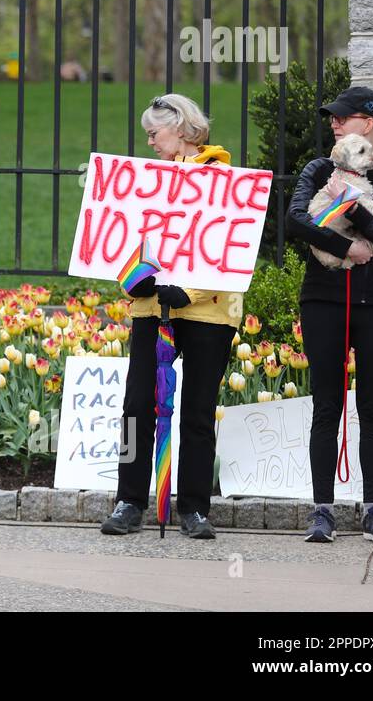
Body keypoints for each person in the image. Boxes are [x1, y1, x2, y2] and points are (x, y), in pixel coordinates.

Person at [101, 94, 242, 540]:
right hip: (151, 308)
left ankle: (195, 508)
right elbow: (117, 234)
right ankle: (129, 501)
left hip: (209, 311)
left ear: (180, 128)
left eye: (154, 133)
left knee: (198, 411)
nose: (149, 142)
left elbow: (228, 248)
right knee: (135, 407)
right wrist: (133, 280)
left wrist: (191, 290)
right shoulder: (145, 180)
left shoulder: (222, 178)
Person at [286, 86, 373, 543]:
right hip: (324, 298)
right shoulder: (319, 167)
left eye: (343, 117)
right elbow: (295, 220)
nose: (334, 123)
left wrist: (352, 206)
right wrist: (347, 246)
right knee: (327, 404)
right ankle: (322, 510)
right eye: (332, 119)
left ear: (370, 123)